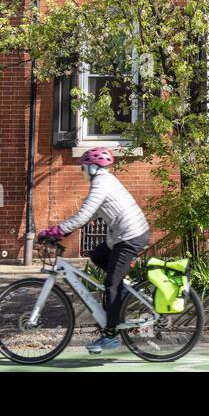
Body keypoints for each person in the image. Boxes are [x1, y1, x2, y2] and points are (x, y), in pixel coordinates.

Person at [37, 146, 150, 354]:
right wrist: (63, 231)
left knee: (111, 286)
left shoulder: (101, 184)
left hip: (129, 236)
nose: (83, 172)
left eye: (85, 167)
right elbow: (89, 216)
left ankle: (110, 336)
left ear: (94, 168)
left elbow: (82, 215)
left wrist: (55, 231)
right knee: (96, 255)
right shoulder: (104, 182)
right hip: (120, 236)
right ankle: (124, 290)